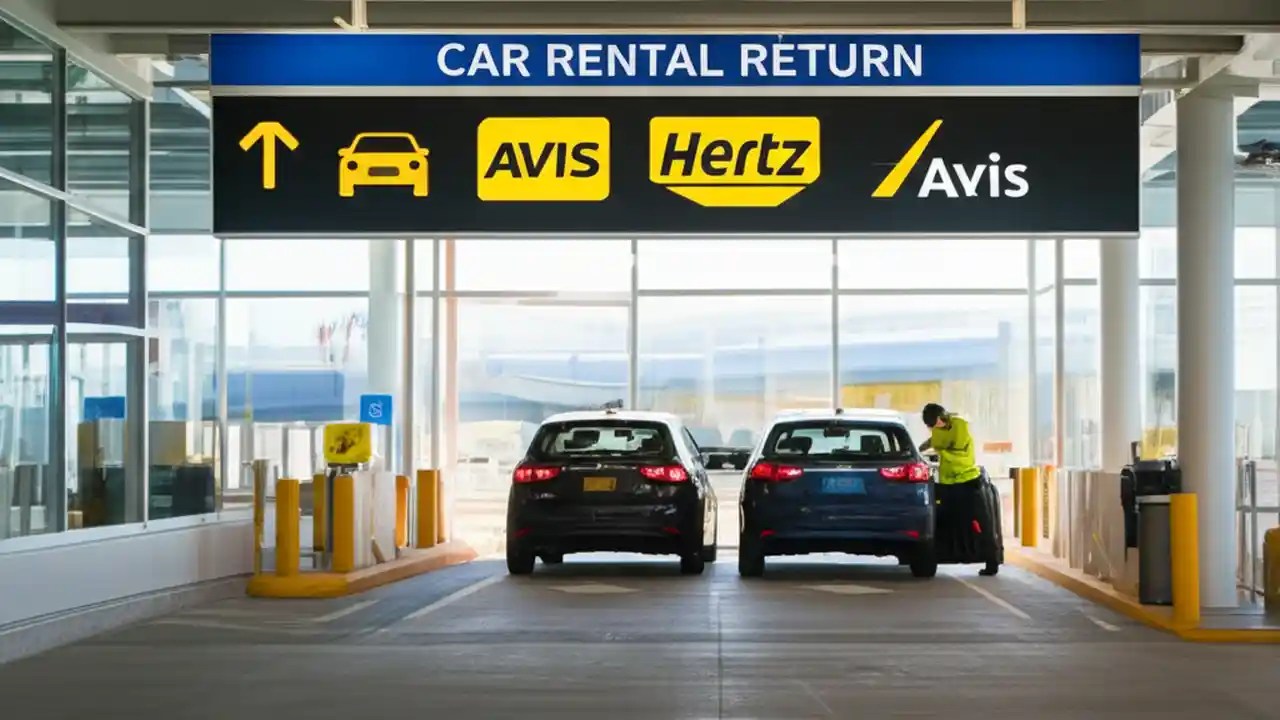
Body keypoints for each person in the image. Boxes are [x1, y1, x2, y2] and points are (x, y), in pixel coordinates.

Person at [919, 403, 999, 576]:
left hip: (968, 481)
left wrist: (939, 451)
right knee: (944, 523)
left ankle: (991, 561)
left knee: (981, 523)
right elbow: (934, 442)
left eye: (933, 424)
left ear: (940, 418)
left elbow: (956, 447)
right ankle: (938, 557)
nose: (932, 428)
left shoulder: (959, 425)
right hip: (949, 483)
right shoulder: (938, 431)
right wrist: (920, 450)